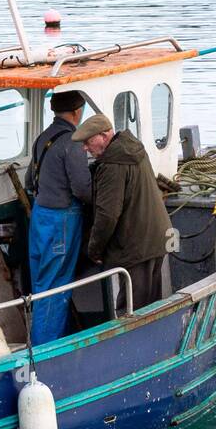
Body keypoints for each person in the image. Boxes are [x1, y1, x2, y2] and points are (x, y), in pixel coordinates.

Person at [71, 112, 172, 311]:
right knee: (151, 302)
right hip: (158, 237)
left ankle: (136, 342)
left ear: (104, 136)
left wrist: (94, 249)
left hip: (135, 246)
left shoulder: (112, 165)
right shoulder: (134, 149)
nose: (85, 148)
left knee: (132, 309)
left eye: (88, 142)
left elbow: (107, 215)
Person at [25, 91, 95, 344]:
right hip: (62, 221)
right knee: (56, 287)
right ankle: (47, 351)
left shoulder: (42, 138)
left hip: (40, 218)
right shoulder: (73, 141)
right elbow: (82, 188)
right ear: (78, 112)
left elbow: (29, 181)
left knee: (42, 284)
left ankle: (45, 340)